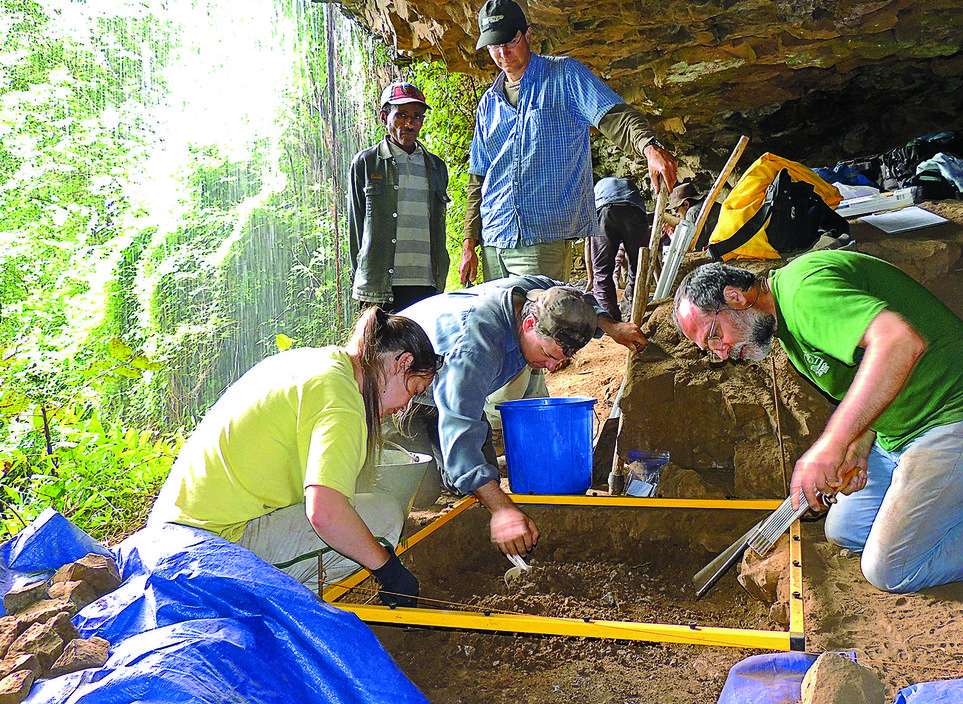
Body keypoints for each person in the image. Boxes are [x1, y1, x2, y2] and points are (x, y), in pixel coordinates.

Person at [672, 253, 963, 593]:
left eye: (713, 336)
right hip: (903, 435)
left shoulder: (804, 292)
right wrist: (856, 446)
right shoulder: (784, 328)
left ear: (736, 296)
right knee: (846, 529)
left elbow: (897, 341)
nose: (720, 353)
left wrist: (830, 444)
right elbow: (869, 381)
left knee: (891, 567)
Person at [148, 308, 440, 605]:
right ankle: (280, 614)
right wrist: (390, 571)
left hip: (171, 533)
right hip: (205, 553)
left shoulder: (319, 363)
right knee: (384, 517)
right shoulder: (343, 402)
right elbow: (325, 513)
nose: (406, 407)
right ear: (402, 363)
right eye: (413, 389)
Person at [394, 276, 647, 557]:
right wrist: (503, 510)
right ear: (529, 324)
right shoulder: (477, 348)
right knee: (430, 489)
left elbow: (571, 296)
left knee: (481, 478)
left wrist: (611, 327)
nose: (551, 368)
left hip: (451, 388)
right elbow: (460, 431)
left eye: (560, 361)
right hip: (401, 389)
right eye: (547, 354)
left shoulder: (534, 296)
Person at [458, 0, 679, 286]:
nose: (502, 53)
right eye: (493, 46)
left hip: (542, 241)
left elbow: (614, 116)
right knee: (501, 330)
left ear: (527, 35)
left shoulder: (565, 76)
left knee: (543, 326)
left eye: (510, 41)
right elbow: (479, 177)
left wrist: (650, 147)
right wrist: (468, 244)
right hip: (494, 240)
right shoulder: (488, 102)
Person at [347, 81, 450, 311]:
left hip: (427, 284)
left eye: (417, 116)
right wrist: (363, 280)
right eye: (401, 115)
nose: (410, 123)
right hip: (381, 287)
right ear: (384, 117)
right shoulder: (366, 163)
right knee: (381, 346)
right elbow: (355, 231)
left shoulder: (436, 167)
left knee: (422, 347)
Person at [588, 177, 649, 321]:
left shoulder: (596, 188)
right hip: (635, 210)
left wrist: (592, 276)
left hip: (605, 210)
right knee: (638, 267)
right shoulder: (627, 185)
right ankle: (633, 313)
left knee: (602, 272)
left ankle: (610, 321)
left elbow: (589, 241)